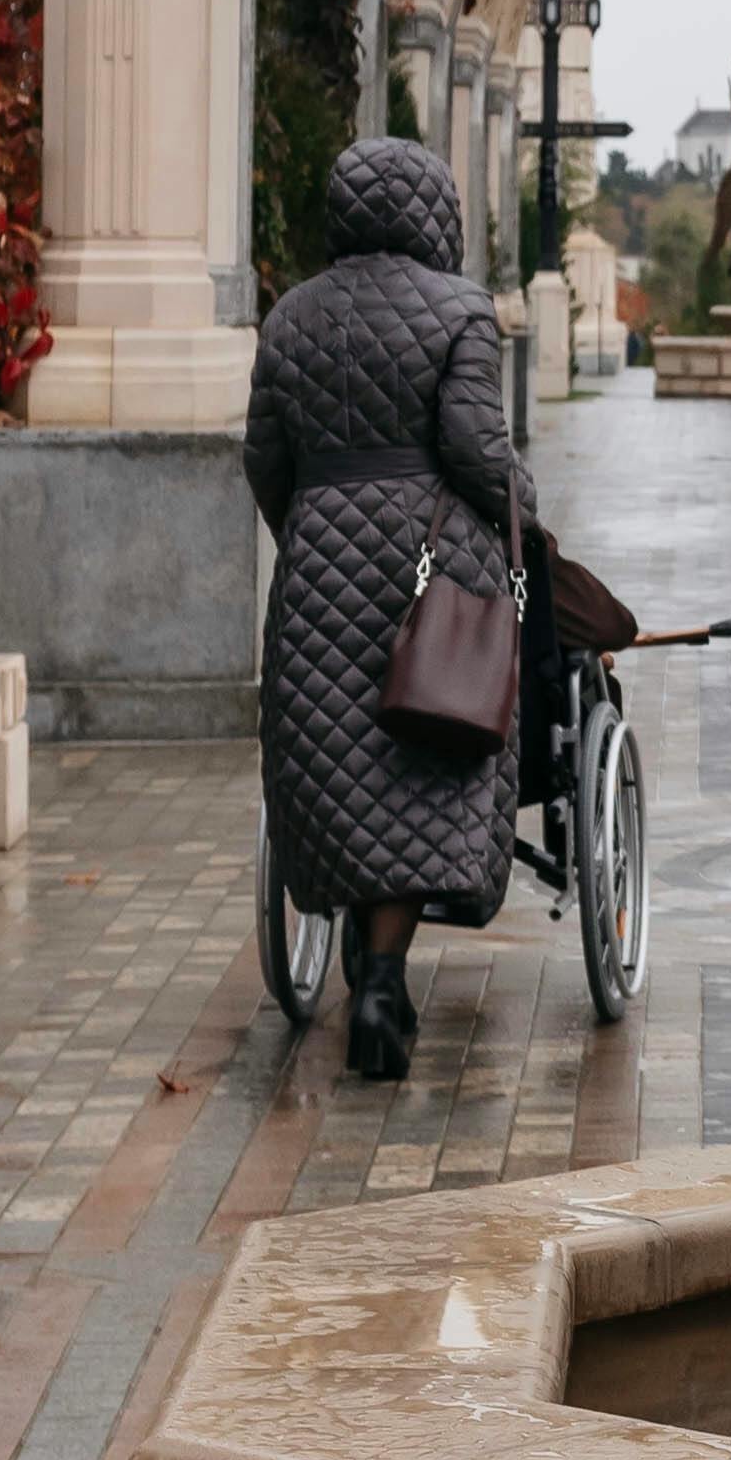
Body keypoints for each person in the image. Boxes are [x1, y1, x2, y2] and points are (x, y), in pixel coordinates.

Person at [242, 138, 534, 1080]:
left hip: (320, 561)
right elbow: (474, 447)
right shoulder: (460, 310)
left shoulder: (289, 315)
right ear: (433, 212)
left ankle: (364, 975)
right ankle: (380, 980)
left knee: (335, 765)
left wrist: (309, 530)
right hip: (430, 570)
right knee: (417, 767)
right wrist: (525, 510)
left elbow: (264, 455)